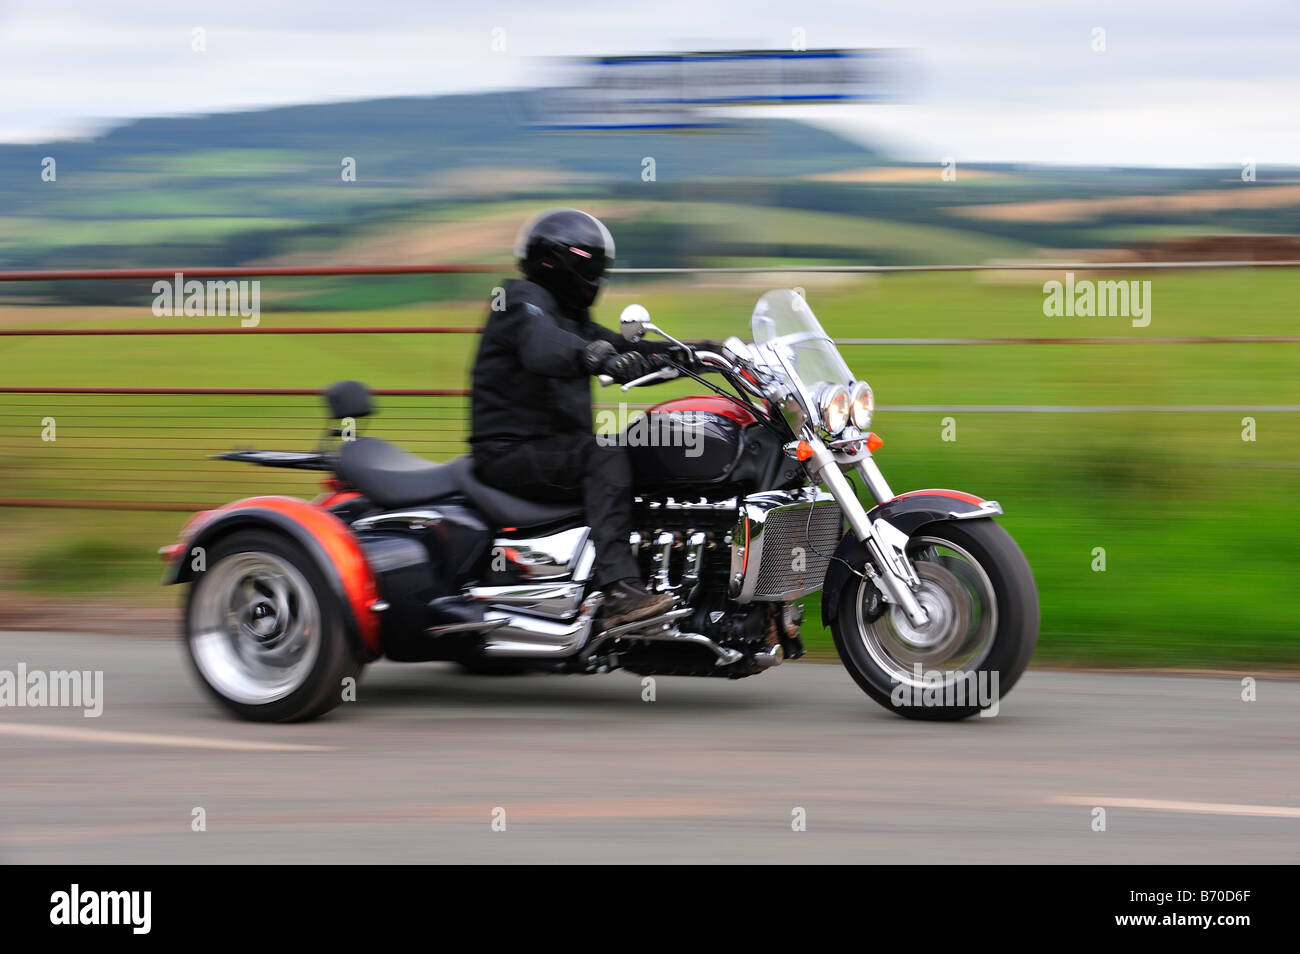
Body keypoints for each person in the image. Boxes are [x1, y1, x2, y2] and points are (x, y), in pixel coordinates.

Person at [469, 208, 677, 628]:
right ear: (564, 263)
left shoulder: (570, 318)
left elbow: (623, 348)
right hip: (510, 451)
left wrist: (710, 354)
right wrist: (588, 355)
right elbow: (542, 344)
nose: (599, 275)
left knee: (653, 443)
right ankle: (619, 589)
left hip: (554, 449)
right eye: (593, 265)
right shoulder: (518, 301)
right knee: (605, 455)